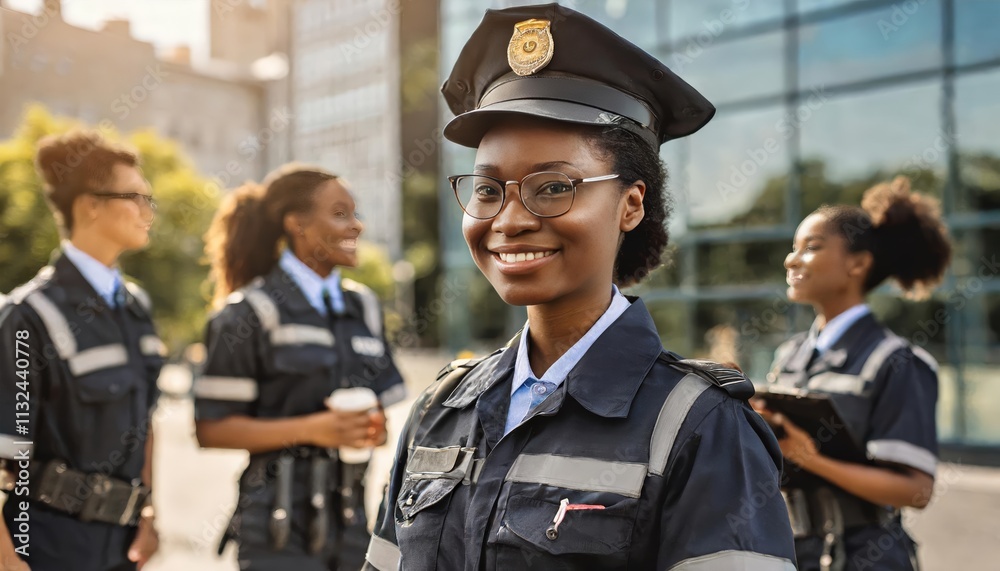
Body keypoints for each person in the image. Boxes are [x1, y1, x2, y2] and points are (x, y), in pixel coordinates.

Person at [362, 5, 797, 570]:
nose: (509, 219)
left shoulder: (700, 428)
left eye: (553, 187)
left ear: (631, 204)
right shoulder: (439, 409)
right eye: (489, 190)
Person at [195, 165, 406, 571]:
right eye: (340, 213)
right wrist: (315, 429)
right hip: (276, 529)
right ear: (298, 224)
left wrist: (374, 430)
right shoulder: (248, 313)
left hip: (353, 525)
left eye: (354, 213)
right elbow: (211, 428)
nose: (357, 226)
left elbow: (381, 418)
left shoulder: (363, 306)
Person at [755, 175, 951, 570]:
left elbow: (915, 491)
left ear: (858, 263)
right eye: (793, 249)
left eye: (811, 248)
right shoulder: (790, 355)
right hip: (792, 551)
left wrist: (810, 459)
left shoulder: (896, 361)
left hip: (866, 555)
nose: (791, 260)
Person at [0, 131, 164, 570]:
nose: (148, 211)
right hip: (49, 546)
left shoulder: (135, 307)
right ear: (89, 205)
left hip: (121, 548)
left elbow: (145, 422)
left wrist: (147, 509)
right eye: (135, 197)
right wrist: (7, 561)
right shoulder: (28, 314)